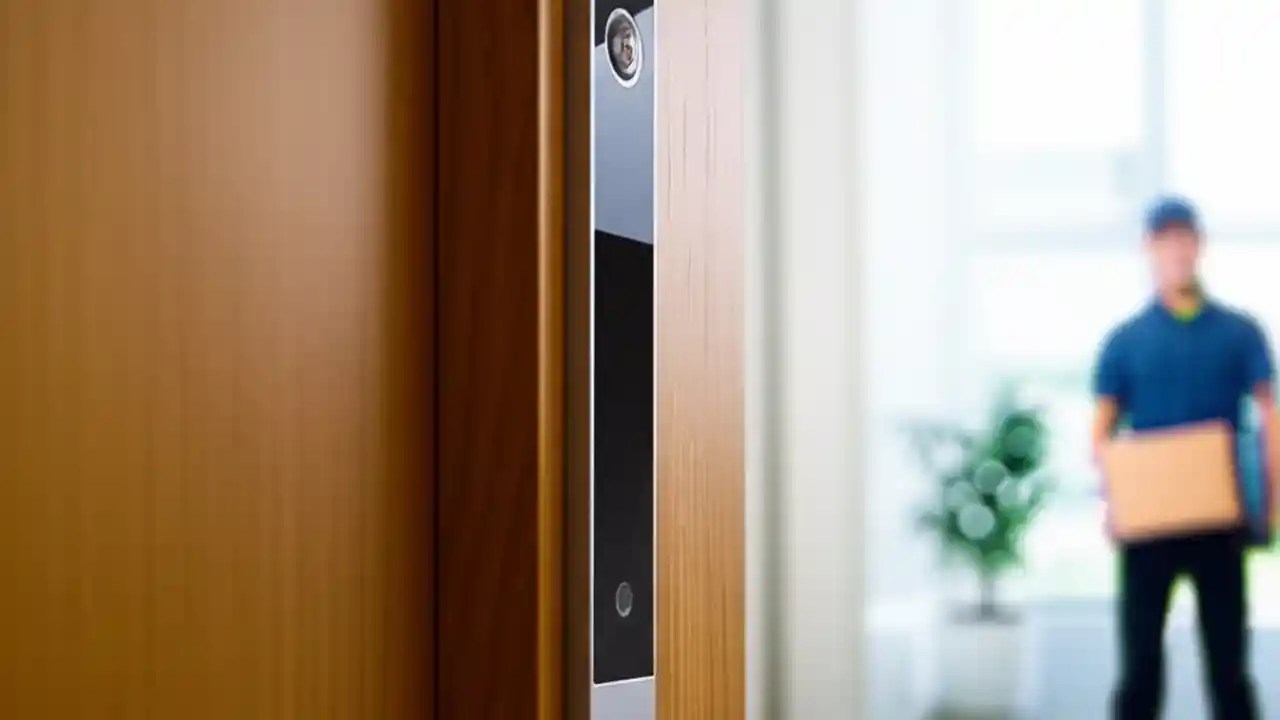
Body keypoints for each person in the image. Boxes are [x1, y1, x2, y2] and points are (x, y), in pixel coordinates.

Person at [1092, 196, 1275, 720]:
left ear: (1199, 245)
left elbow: (1270, 422)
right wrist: (1113, 503)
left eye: (1185, 238)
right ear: (1149, 249)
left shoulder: (1240, 333)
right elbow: (1100, 434)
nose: (1177, 249)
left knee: (1228, 669)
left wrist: (1271, 506)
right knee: (1140, 668)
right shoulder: (1126, 342)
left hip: (1221, 523)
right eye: (1165, 239)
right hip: (1149, 528)